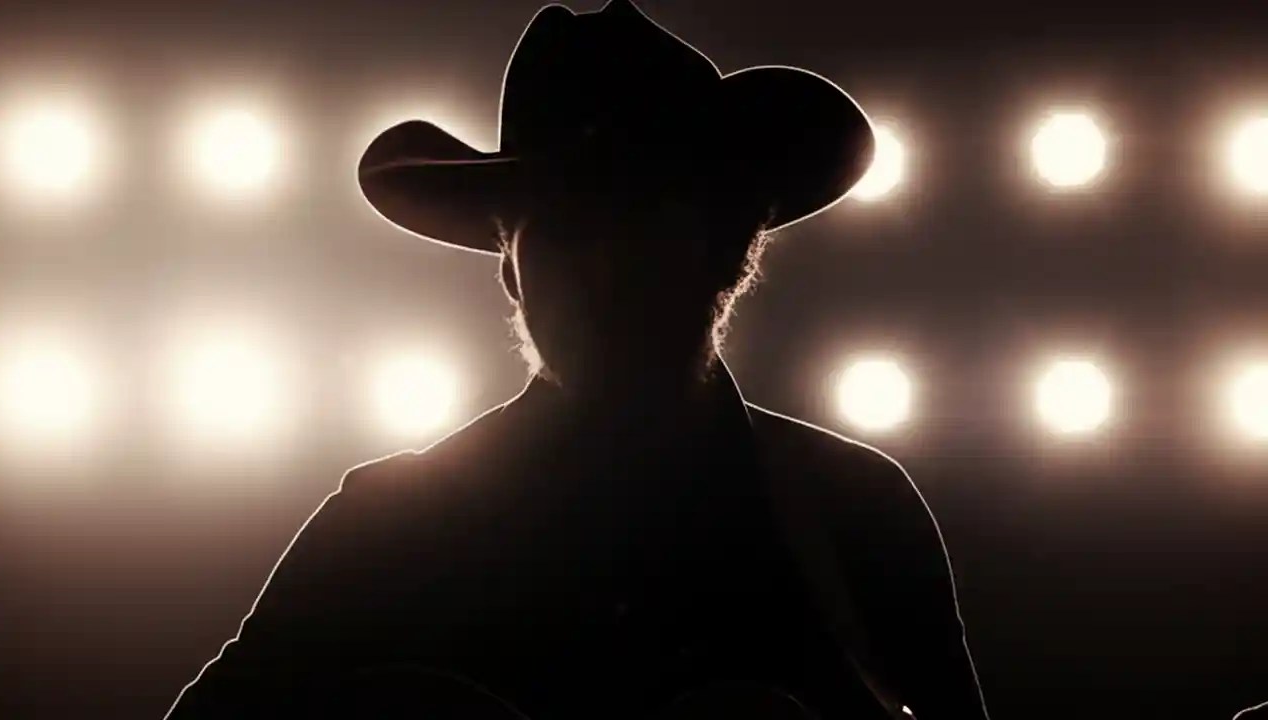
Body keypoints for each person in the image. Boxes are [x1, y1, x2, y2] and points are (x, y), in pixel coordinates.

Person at [165, 1, 990, 718]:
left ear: (728, 249)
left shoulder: (854, 512)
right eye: (563, 227)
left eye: (636, 221)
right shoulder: (384, 527)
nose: (601, 268)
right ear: (510, 268)